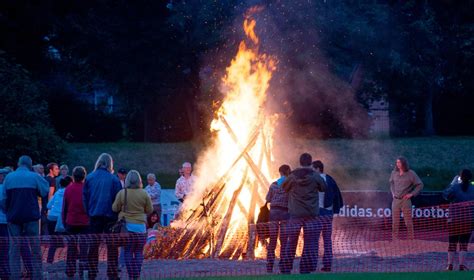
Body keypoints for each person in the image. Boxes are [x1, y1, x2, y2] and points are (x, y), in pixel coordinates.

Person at [279, 153, 326, 274]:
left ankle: (286, 268)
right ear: (310, 163)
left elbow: (283, 188)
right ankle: (305, 269)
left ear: (299, 162)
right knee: (310, 242)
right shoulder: (315, 176)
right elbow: (323, 187)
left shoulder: (292, 176)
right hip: (311, 214)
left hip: (295, 214)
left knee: (291, 241)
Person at [3, 156, 49, 279]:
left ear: (18, 164)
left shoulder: (9, 177)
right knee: (35, 249)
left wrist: (8, 211)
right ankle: (37, 276)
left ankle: (15, 277)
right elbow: (45, 190)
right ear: (30, 165)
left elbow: (2, 199)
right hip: (32, 218)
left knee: (14, 250)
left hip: (14, 218)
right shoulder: (34, 176)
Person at [83, 153, 122, 280]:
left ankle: (92, 273)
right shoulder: (114, 179)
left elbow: (85, 198)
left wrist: (89, 212)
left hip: (94, 215)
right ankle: (112, 274)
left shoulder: (89, 177)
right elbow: (118, 200)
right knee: (112, 247)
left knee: (93, 246)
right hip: (110, 217)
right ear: (110, 164)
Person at [112, 170, 153, 280]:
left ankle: (131, 276)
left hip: (127, 229)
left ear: (127, 180)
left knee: (128, 252)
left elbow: (114, 208)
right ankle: (137, 276)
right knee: (139, 252)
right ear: (139, 180)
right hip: (140, 227)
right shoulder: (144, 193)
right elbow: (150, 209)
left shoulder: (122, 192)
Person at [312, 160, 343, 272]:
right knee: (327, 240)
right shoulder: (330, 179)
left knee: (314, 240)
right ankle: (327, 265)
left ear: (318, 169)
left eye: (313, 169)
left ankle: (312, 265)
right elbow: (337, 195)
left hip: (318, 214)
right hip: (328, 214)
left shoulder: (314, 180)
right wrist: (335, 210)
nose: (311, 171)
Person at [443, 169, 474, 271]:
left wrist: (452, 183)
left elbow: (445, 195)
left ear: (460, 177)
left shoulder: (455, 187)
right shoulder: (473, 189)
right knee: (464, 243)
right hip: (467, 219)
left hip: (454, 219)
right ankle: (461, 265)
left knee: (452, 242)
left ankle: (450, 265)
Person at [63, 166, 90, 278]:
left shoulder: (68, 189)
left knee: (71, 248)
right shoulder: (87, 188)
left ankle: (70, 271)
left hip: (71, 221)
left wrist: (65, 222)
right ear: (84, 176)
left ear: (73, 176)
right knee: (84, 248)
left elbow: (65, 207)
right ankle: (83, 271)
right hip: (85, 222)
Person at [389, 156, 423, 241]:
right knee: (395, 222)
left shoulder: (411, 173)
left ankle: (411, 239)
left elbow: (420, 185)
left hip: (405, 200)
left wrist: (411, 194)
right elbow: (391, 183)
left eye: (399, 162)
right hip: (396, 200)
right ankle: (394, 239)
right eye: (397, 162)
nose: (398, 164)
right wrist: (393, 193)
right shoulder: (394, 173)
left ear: (403, 163)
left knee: (408, 221)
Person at [265, 164, 291, 273]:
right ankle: (282, 266)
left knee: (272, 240)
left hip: (274, 212)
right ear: (288, 172)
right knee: (284, 240)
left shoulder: (273, 184)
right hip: (285, 212)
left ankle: (270, 266)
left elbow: (267, 198)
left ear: (280, 172)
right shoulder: (290, 185)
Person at [46, 176, 71, 263]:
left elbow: (48, 206)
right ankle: (72, 259)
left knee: (53, 241)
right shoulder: (69, 192)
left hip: (51, 218)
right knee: (71, 239)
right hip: (63, 218)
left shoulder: (57, 193)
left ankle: (49, 260)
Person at [0, 168, 10, 280]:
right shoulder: (4, 188)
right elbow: (3, 204)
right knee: (4, 248)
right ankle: (5, 272)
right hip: (4, 221)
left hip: (4, 221)